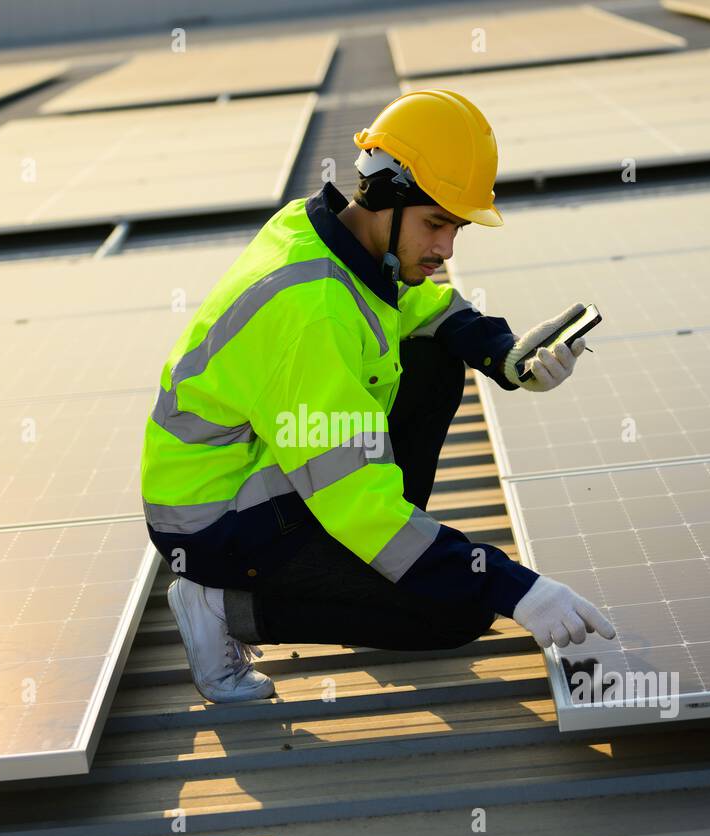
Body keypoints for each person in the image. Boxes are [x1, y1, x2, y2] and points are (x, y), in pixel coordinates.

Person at [140, 88, 615, 703]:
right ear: (385, 197)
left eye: (455, 227)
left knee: (437, 357)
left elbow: (420, 308)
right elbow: (351, 497)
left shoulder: (326, 234)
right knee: (457, 611)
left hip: (250, 470)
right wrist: (510, 585)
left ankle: (384, 560)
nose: (446, 249)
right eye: (436, 223)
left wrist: (506, 356)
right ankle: (224, 606)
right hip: (212, 523)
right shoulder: (314, 313)